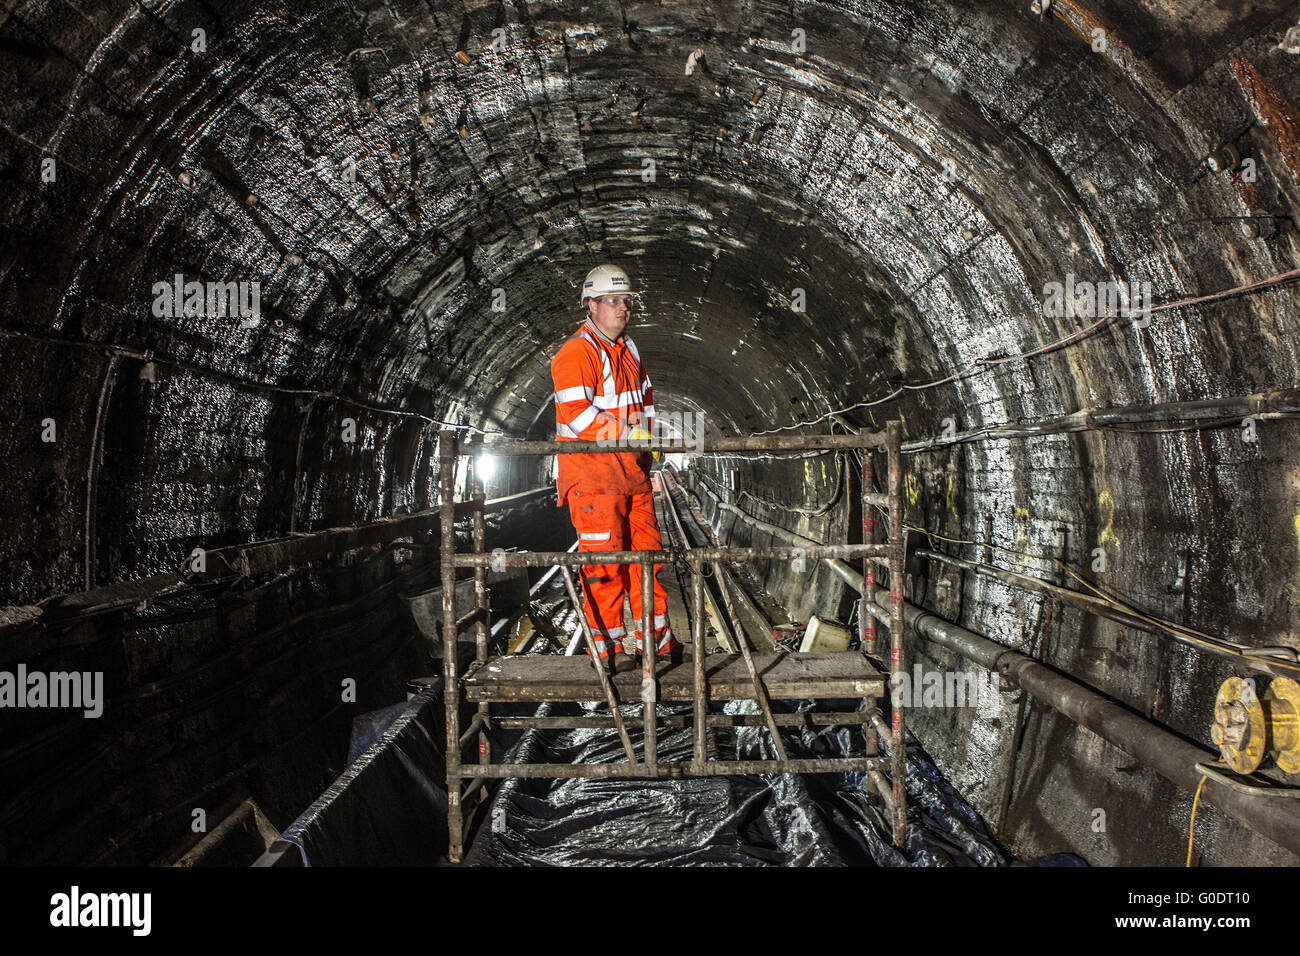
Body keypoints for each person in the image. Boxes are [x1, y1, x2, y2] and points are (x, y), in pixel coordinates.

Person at [551, 264, 680, 673]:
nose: (623, 308)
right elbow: (576, 415)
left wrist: (657, 449)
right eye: (613, 301)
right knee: (604, 567)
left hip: (632, 475)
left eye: (626, 301)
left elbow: (646, 409)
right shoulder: (576, 352)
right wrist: (630, 435)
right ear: (591, 305)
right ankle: (607, 651)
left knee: (647, 558)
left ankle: (655, 644)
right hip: (592, 479)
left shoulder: (630, 350)